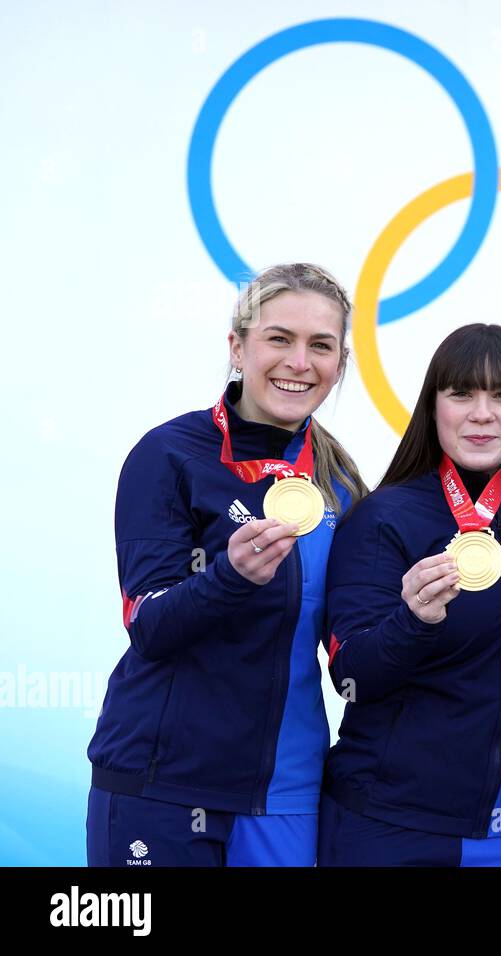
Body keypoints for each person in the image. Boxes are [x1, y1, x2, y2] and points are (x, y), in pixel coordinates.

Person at [87, 263, 367, 866]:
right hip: (163, 783)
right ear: (238, 347)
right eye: (279, 338)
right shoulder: (168, 455)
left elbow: (352, 644)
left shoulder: (341, 485)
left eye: (321, 346)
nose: (299, 361)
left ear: (340, 364)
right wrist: (228, 579)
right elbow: (149, 623)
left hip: (285, 793)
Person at [317, 324, 501, 867]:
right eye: (461, 394)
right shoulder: (382, 518)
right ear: (433, 407)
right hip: (391, 825)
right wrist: (413, 622)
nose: (482, 413)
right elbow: (351, 675)